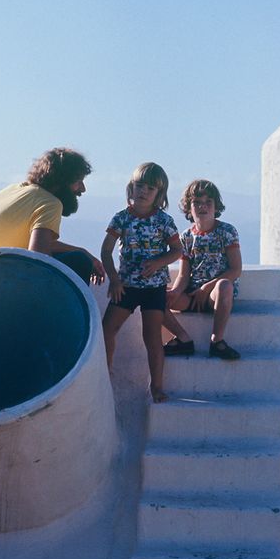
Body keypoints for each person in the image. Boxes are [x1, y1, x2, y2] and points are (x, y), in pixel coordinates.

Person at [101, 162, 182, 403]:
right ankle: (105, 376)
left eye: (150, 188)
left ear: (160, 194)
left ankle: (156, 387)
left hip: (154, 288)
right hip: (126, 286)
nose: (144, 191)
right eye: (140, 186)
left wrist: (158, 263)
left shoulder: (163, 220)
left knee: (152, 337)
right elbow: (106, 251)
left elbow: (177, 250)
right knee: (107, 330)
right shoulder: (121, 218)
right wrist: (114, 280)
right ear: (131, 187)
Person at [0, 147, 105, 283]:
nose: (83, 189)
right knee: (79, 261)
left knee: (78, 254)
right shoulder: (50, 203)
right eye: (78, 181)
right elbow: (39, 259)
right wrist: (84, 257)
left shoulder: (12, 191)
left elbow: (39, 243)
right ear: (62, 180)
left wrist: (82, 250)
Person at [161, 179, 242, 360]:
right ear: (188, 208)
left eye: (208, 202)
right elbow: (184, 274)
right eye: (197, 202)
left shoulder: (227, 231)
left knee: (224, 285)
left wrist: (206, 288)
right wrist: (175, 292)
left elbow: (235, 269)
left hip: (216, 295)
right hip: (193, 296)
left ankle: (217, 341)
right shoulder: (186, 237)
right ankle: (183, 339)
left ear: (216, 206)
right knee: (155, 294)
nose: (202, 206)